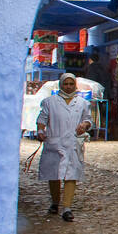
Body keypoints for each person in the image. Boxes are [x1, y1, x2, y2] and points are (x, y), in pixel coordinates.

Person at [35, 73, 92, 222]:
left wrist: (84, 126)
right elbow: (42, 119)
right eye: (65, 84)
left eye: (71, 84)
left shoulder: (82, 103)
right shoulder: (49, 102)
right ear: (61, 85)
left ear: (75, 85)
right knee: (54, 174)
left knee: (71, 174)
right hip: (55, 142)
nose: (68, 87)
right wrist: (41, 131)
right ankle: (55, 202)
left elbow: (88, 120)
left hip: (73, 143)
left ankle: (67, 207)